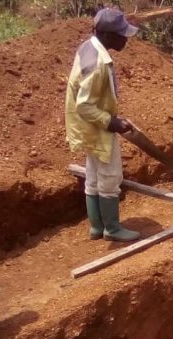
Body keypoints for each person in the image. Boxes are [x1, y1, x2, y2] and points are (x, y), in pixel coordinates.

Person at [65, 7, 140, 242]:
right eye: (121, 34)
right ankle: (112, 228)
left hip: (86, 126)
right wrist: (111, 122)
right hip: (96, 125)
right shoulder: (98, 64)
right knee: (110, 177)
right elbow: (84, 105)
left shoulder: (88, 47)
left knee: (94, 175)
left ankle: (97, 227)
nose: (125, 38)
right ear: (107, 35)